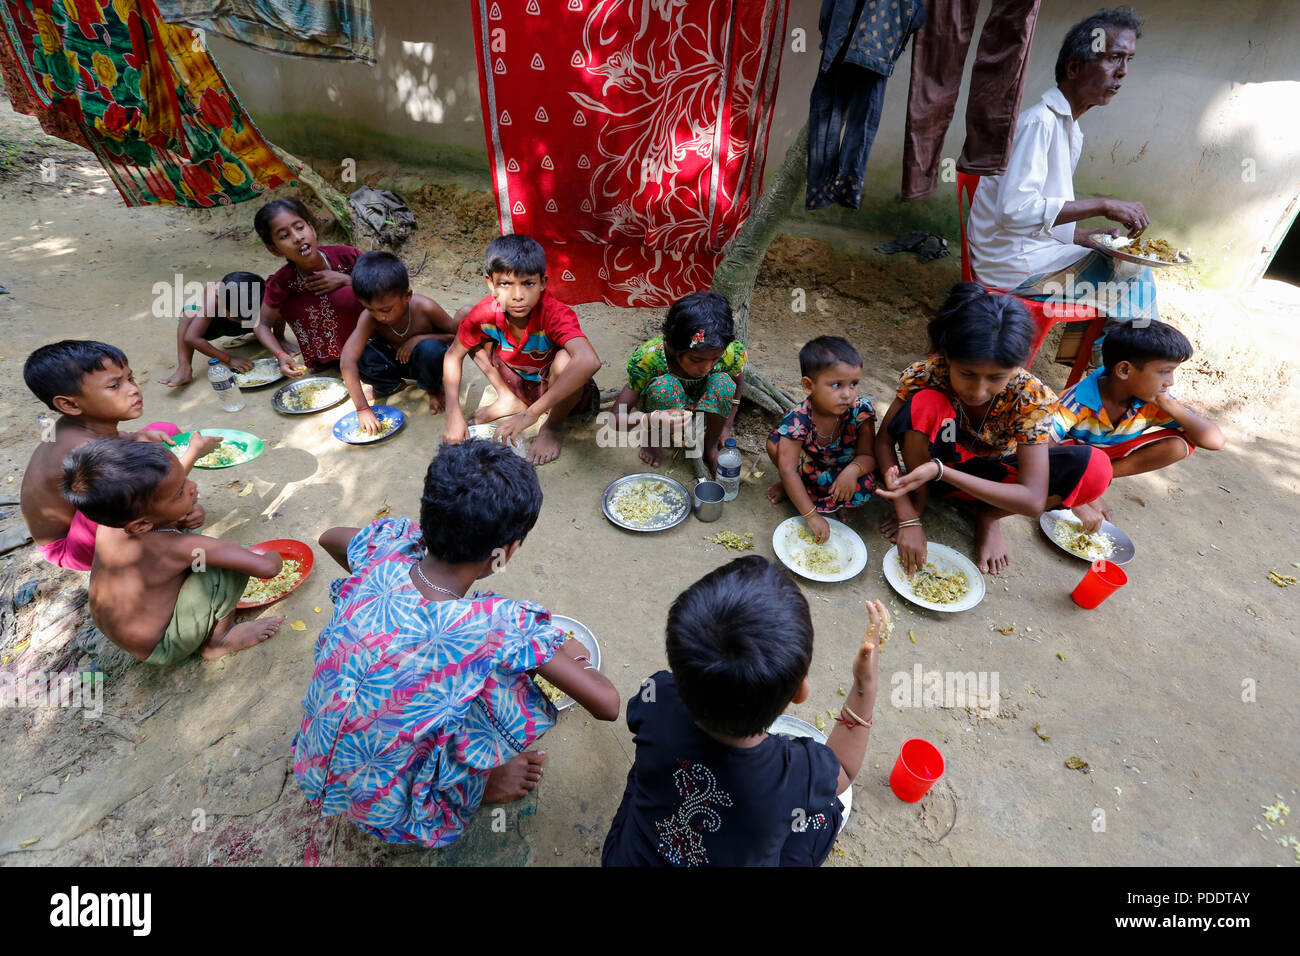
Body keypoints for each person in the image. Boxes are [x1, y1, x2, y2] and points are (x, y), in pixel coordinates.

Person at [295, 440, 621, 848]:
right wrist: (576, 658)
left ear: (427, 514)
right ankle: (473, 785)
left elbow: (329, 538)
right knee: (498, 674)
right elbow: (607, 705)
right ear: (509, 551)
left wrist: (381, 586)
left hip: (317, 765)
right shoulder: (499, 626)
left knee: (454, 674)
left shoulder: (386, 549)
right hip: (397, 811)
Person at [602, 556, 887, 867]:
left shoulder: (656, 695)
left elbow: (636, 717)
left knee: (642, 772)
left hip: (626, 859)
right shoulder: (795, 773)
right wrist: (864, 685)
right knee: (823, 813)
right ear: (800, 692)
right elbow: (843, 769)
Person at [874, 284, 1113, 574]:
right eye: (967, 374)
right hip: (928, 470)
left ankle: (988, 516)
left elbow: (1033, 500)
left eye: (996, 377)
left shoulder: (1030, 395)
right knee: (925, 403)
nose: (978, 389)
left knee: (1095, 467)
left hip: (988, 480)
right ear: (948, 357)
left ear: (1015, 367)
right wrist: (907, 515)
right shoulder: (927, 374)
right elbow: (883, 442)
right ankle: (920, 497)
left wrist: (941, 471)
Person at [965, 7, 1158, 349]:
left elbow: (1038, 210)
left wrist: (1082, 235)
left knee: (1124, 264)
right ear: (1074, 67)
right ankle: (1121, 370)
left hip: (1028, 251)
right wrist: (1102, 204)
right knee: (1132, 274)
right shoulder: (1039, 123)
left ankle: (1100, 363)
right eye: (1114, 58)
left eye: (1128, 60)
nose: (1123, 72)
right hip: (1009, 265)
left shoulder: (1069, 129)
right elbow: (1014, 212)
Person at [62, 440, 284, 664]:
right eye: (180, 492)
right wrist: (274, 555)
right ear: (140, 525)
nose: (192, 486)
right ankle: (219, 640)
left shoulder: (113, 521)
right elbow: (267, 568)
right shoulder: (178, 547)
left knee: (193, 534)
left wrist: (193, 455)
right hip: (164, 645)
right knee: (230, 563)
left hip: (122, 630)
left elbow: (159, 493)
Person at [21, 340, 211, 572]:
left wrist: (134, 436)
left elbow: (112, 438)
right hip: (75, 546)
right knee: (129, 489)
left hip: (96, 504)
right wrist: (193, 452)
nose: (133, 389)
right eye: (114, 386)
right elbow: (128, 490)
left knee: (165, 431)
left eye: (129, 378)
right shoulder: (81, 450)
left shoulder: (78, 426)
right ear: (70, 404)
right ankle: (167, 522)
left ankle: (172, 508)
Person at [441, 234, 601, 465]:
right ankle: (508, 399)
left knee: (567, 360)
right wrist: (453, 414)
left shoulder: (553, 313)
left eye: (528, 283)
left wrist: (531, 415)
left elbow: (589, 361)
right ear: (490, 283)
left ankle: (553, 426)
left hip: (559, 391)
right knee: (468, 320)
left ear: (543, 283)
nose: (518, 296)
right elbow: (452, 355)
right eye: (505, 284)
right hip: (519, 381)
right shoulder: (487, 313)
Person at [1051, 320, 1224, 519]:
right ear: (1124, 370)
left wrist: (1171, 406)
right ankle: (1080, 484)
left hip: (1105, 458)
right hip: (1070, 457)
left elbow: (1215, 441)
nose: (1171, 382)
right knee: (1049, 448)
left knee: (1180, 444)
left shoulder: (1151, 400)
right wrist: (1074, 504)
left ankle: (1095, 481)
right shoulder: (1077, 400)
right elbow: (1039, 445)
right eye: (1164, 371)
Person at [611, 290, 746, 475]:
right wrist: (650, 419)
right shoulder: (651, 358)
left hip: (701, 399)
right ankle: (653, 440)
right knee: (663, 388)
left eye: (714, 359)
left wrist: (727, 425)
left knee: (723, 384)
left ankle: (710, 446)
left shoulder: (725, 354)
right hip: (661, 407)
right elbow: (615, 419)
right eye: (696, 360)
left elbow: (738, 382)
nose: (706, 367)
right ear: (675, 348)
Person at [765, 336, 875, 542]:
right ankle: (792, 489)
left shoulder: (861, 413)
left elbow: (868, 456)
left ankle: (841, 502)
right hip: (807, 467)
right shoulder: (798, 419)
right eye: (837, 385)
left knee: (865, 483)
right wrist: (811, 516)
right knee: (775, 445)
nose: (847, 394)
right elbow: (789, 468)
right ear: (808, 386)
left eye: (853, 384)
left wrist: (853, 471)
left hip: (841, 471)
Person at [340, 251, 458, 432]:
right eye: (370, 309)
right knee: (364, 356)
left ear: (407, 295)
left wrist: (419, 339)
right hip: (396, 360)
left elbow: (456, 338)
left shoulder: (425, 307)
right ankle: (391, 386)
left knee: (431, 349)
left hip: (427, 363)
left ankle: (433, 389)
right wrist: (362, 408)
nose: (380, 316)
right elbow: (347, 359)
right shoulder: (369, 318)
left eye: (386, 310)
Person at [252, 198, 364, 376]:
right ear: (274, 249)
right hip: (325, 362)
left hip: (370, 349)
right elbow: (261, 325)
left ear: (312, 228)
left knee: (355, 290)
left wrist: (347, 280)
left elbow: (387, 288)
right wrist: (280, 354)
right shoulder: (282, 282)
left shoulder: (348, 256)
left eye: (300, 227)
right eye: (284, 236)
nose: (297, 238)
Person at [159, 272, 264, 387]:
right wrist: (229, 359)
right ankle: (184, 368)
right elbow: (191, 338)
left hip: (255, 323)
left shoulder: (259, 294)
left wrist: (279, 337)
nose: (242, 322)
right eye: (237, 318)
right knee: (188, 314)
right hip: (220, 326)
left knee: (273, 308)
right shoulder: (214, 299)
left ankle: (263, 335)